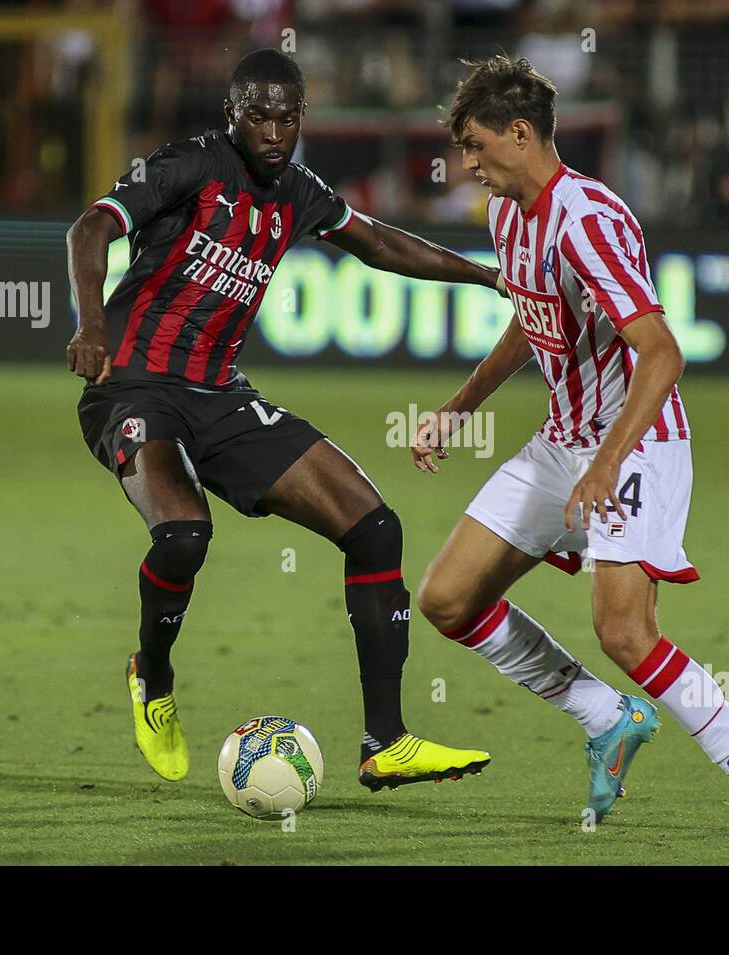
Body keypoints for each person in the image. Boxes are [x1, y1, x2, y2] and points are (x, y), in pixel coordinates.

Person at [67, 48, 499, 791]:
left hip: (221, 395)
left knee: (374, 525)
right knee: (184, 534)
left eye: (288, 116)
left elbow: (382, 243)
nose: (275, 130)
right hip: (131, 387)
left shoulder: (298, 191)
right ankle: (155, 677)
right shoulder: (189, 166)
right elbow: (89, 229)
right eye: (260, 115)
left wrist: (489, 274)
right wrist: (90, 324)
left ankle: (384, 741)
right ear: (232, 114)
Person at [411, 54, 729, 835]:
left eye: (476, 144)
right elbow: (532, 322)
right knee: (448, 599)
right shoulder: (506, 216)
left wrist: (605, 462)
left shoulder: (587, 219)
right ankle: (605, 715)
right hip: (565, 443)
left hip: (637, 442)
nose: (467, 163)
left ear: (519, 133)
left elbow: (661, 351)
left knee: (625, 631)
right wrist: (460, 406)